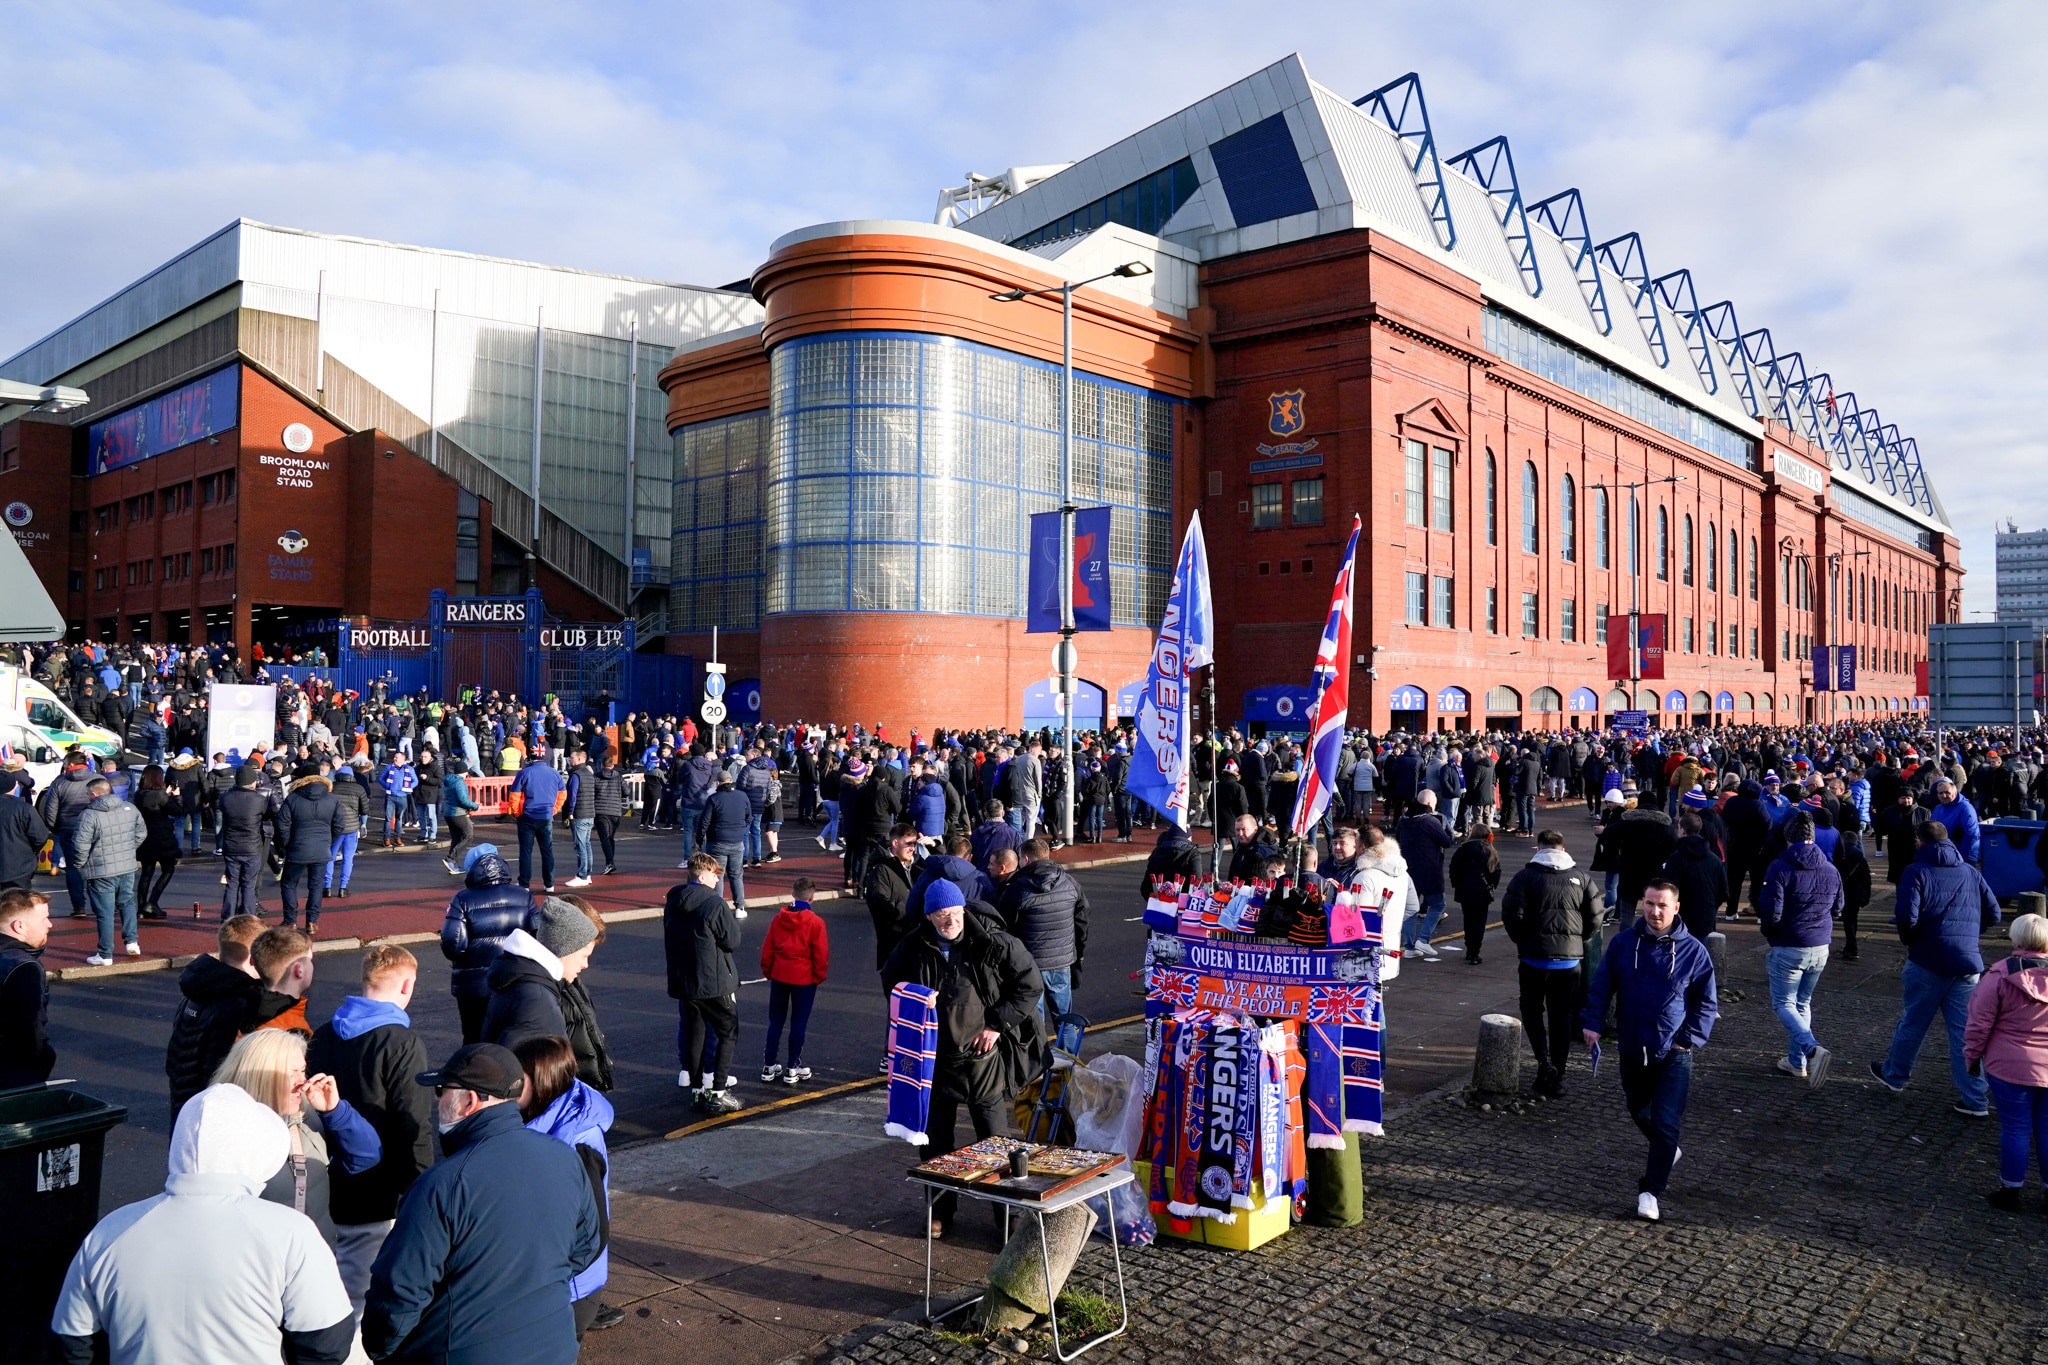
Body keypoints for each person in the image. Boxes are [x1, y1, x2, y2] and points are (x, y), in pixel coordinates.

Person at [51, 1083, 356, 1365]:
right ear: (260, 1149)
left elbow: (73, 1341)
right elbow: (327, 1343)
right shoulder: (290, 1232)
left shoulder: (109, 1232)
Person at [362, 1043, 602, 1365]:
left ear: (469, 1101)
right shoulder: (563, 1156)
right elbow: (587, 1245)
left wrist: (381, 1350)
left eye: (441, 1091)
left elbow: (398, 1294)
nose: (437, 1101)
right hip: (553, 1347)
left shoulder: (442, 1185)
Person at [882, 879, 1045, 1236]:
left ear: (963, 911)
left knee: (996, 1143)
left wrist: (997, 1024)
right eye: (941, 916)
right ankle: (940, 1212)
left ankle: (1007, 1217)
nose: (949, 922)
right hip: (934, 1061)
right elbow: (891, 985)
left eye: (954, 914)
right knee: (936, 1144)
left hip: (981, 1060)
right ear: (928, 917)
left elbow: (1030, 984)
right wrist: (913, 998)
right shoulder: (912, 946)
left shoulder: (993, 942)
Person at [306, 944, 437, 1325]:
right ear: (406, 985)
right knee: (363, 1304)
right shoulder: (402, 1043)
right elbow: (414, 1124)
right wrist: (422, 1190)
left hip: (327, 1187)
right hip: (379, 1194)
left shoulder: (325, 1034)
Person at [1581, 880, 1718, 1222]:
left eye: (1662, 905)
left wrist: (1687, 1039)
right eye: (1649, 904)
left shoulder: (1694, 952)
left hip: (1674, 1051)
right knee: (1638, 1109)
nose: (1655, 912)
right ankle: (1666, 1150)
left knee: (1666, 1121)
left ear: (1676, 908)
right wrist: (1593, 1021)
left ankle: (1650, 1191)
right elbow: (1602, 984)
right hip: (1632, 1044)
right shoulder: (1625, 944)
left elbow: (1706, 1001)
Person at [211, 1027, 383, 1251]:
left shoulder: (307, 1114)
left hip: (315, 1261)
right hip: (261, 1269)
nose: (303, 1083)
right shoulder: (225, 1129)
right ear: (262, 1075)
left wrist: (335, 1111)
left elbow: (366, 1156)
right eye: (292, 1073)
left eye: (303, 1071)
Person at [1872, 820, 2000, 1117]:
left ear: (1920, 841)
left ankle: (1895, 1075)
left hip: (1928, 959)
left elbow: (1906, 916)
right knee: (1965, 1033)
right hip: (1967, 962)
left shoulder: (1916, 871)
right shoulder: (1969, 870)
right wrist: (1970, 934)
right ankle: (1975, 1097)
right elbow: (1993, 912)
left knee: (1914, 1023)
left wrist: (1912, 941)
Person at [514, 1035, 626, 1336]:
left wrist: (557, 1277)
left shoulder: (577, 1144)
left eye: (516, 1081)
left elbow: (595, 1230)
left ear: (541, 1083)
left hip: (570, 1290)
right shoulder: (544, 1117)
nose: (507, 1089)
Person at [1500, 830, 1601, 1097]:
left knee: (1532, 1009)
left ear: (1539, 849)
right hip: (1569, 963)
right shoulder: (1581, 878)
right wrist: (1578, 942)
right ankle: (1559, 1075)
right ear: (1563, 848)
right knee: (1562, 1016)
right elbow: (1595, 918)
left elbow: (1512, 914)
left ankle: (1543, 1062)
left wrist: (1521, 940)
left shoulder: (1525, 877)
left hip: (1533, 958)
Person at [1964, 914, 2048, 1211]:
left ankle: (2011, 1191)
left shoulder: (1999, 975)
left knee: (2015, 1128)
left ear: (2016, 938)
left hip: (2009, 1066)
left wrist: (1971, 1057)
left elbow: (1978, 1023)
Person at [1756, 812, 1842, 1087]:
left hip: (1790, 945)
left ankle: (1810, 1049)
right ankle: (1797, 1061)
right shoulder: (1830, 868)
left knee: (1783, 1003)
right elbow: (1839, 908)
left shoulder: (1779, 867)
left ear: (1787, 837)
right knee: (1802, 1002)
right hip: (1820, 944)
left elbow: (1771, 911)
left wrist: (1771, 933)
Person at [165, 914, 269, 1119]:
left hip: (184, 1103)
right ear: (253, 958)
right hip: (211, 1114)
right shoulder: (238, 1003)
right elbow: (220, 1069)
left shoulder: (196, 990)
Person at [666, 852, 743, 1113]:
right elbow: (732, 941)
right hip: (714, 981)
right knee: (727, 1033)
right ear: (702, 875)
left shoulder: (673, 900)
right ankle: (718, 1091)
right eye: (714, 874)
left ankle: (698, 1090)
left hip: (685, 981)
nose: (716, 879)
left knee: (694, 1035)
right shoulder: (714, 903)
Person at [439, 843, 535, 1044]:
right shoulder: (523, 895)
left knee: (474, 1037)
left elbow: (453, 943)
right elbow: (538, 935)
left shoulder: (463, 899)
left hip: (474, 985)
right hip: (514, 979)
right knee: (511, 1037)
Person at [482, 897, 600, 1051]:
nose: (586, 964)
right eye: (584, 955)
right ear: (567, 949)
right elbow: (533, 1070)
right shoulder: (536, 1000)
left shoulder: (528, 981)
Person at [996, 836, 1089, 1026]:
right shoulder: (1070, 882)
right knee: (1065, 1017)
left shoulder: (1017, 889)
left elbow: (1006, 928)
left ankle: (1038, 1055)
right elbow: (1082, 921)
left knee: (1034, 1020)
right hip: (1061, 960)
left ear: (1026, 860)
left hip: (1030, 964)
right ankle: (1069, 1054)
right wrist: (1077, 951)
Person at [758, 877, 830, 1084]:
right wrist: (818, 976)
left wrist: (768, 970)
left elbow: (768, 948)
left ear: (792, 894)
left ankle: (769, 1064)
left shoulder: (778, 919)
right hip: (804, 979)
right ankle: (793, 1066)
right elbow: (821, 954)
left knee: (776, 1021)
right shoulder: (816, 923)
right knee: (798, 1023)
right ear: (812, 897)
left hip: (780, 975)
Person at [73, 775, 146, 966]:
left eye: (89, 794)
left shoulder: (89, 815)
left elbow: (80, 845)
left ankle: (105, 954)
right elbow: (141, 833)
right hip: (126, 865)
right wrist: (129, 851)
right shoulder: (130, 809)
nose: (87, 797)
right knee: (127, 902)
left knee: (105, 912)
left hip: (100, 870)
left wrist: (81, 864)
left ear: (95, 794)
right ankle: (132, 942)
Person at [276, 761, 343, 935]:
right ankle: (312, 922)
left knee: (289, 883)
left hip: (297, 847)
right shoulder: (332, 798)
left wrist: (285, 845)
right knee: (316, 886)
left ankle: (290, 921)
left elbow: (282, 825)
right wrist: (328, 841)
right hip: (322, 848)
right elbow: (339, 825)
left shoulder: (293, 798)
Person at [0, 888, 54, 1089]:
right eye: (44, 919)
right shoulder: (24, 967)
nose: (50, 924)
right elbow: (30, 1031)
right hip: (12, 1076)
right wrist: (44, 1059)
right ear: (19, 926)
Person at [1395, 790, 1454, 960]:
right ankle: (1423, 939)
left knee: (1410, 908)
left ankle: (1409, 946)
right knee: (1438, 905)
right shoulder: (1430, 821)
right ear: (1429, 804)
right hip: (1429, 869)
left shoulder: (1404, 821)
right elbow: (1446, 841)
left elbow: (1398, 840)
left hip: (1408, 869)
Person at [1660, 810, 1729, 943]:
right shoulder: (1714, 860)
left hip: (1681, 917)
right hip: (1706, 916)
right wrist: (1712, 905)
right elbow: (1724, 891)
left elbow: (1668, 890)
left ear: (1683, 830)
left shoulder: (1675, 859)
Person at [219, 765, 276, 920]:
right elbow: (267, 815)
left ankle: (227, 917)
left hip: (231, 846)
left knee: (232, 883)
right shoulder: (259, 800)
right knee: (248, 885)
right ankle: (248, 917)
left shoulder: (225, 798)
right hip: (252, 846)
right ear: (252, 782)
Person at [695, 769, 753, 919]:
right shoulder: (742, 796)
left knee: (716, 876)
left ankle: (718, 907)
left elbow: (704, 822)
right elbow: (749, 817)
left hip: (717, 842)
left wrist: (699, 840)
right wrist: (741, 829)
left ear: (718, 783)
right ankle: (740, 907)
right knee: (736, 875)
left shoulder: (714, 799)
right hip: (737, 842)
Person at [510, 745, 564, 892]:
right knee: (547, 851)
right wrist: (554, 810)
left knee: (526, 851)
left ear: (531, 756)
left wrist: (517, 813)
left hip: (527, 816)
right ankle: (549, 884)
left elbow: (514, 795)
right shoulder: (554, 773)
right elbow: (562, 794)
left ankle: (524, 883)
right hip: (546, 816)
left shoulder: (524, 773)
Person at [130, 764, 182, 920]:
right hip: (162, 837)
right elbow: (177, 811)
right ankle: (152, 902)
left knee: (147, 872)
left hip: (145, 837)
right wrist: (176, 796)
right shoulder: (160, 794)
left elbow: (153, 802)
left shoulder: (139, 794)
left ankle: (141, 907)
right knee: (168, 869)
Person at [1448, 826, 1500, 966]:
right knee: (1479, 923)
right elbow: (1496, 872)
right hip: (1483, 892)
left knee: (1468, 920)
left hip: (1465, 891)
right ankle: (1474, 951)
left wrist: (1456, 884)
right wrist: (1492, 885)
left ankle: (1469, 947)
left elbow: (1453, 868)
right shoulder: (1490, 851)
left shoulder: (1463, 850)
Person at [0, 775, 50, 893]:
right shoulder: (23, 809)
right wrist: (30, 851)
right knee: (18, 905)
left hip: (18, 864)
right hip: (19, 866)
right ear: (14, 786)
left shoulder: (23, 809)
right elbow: (40, 836)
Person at [327, 758, 368, 898]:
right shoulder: (359, 789)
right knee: (348, 858)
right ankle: (343, 888)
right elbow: (365, 810)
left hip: (335, 827)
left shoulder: (332, 787)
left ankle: (327, 887)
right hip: (351, 828)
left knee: (330, 857)